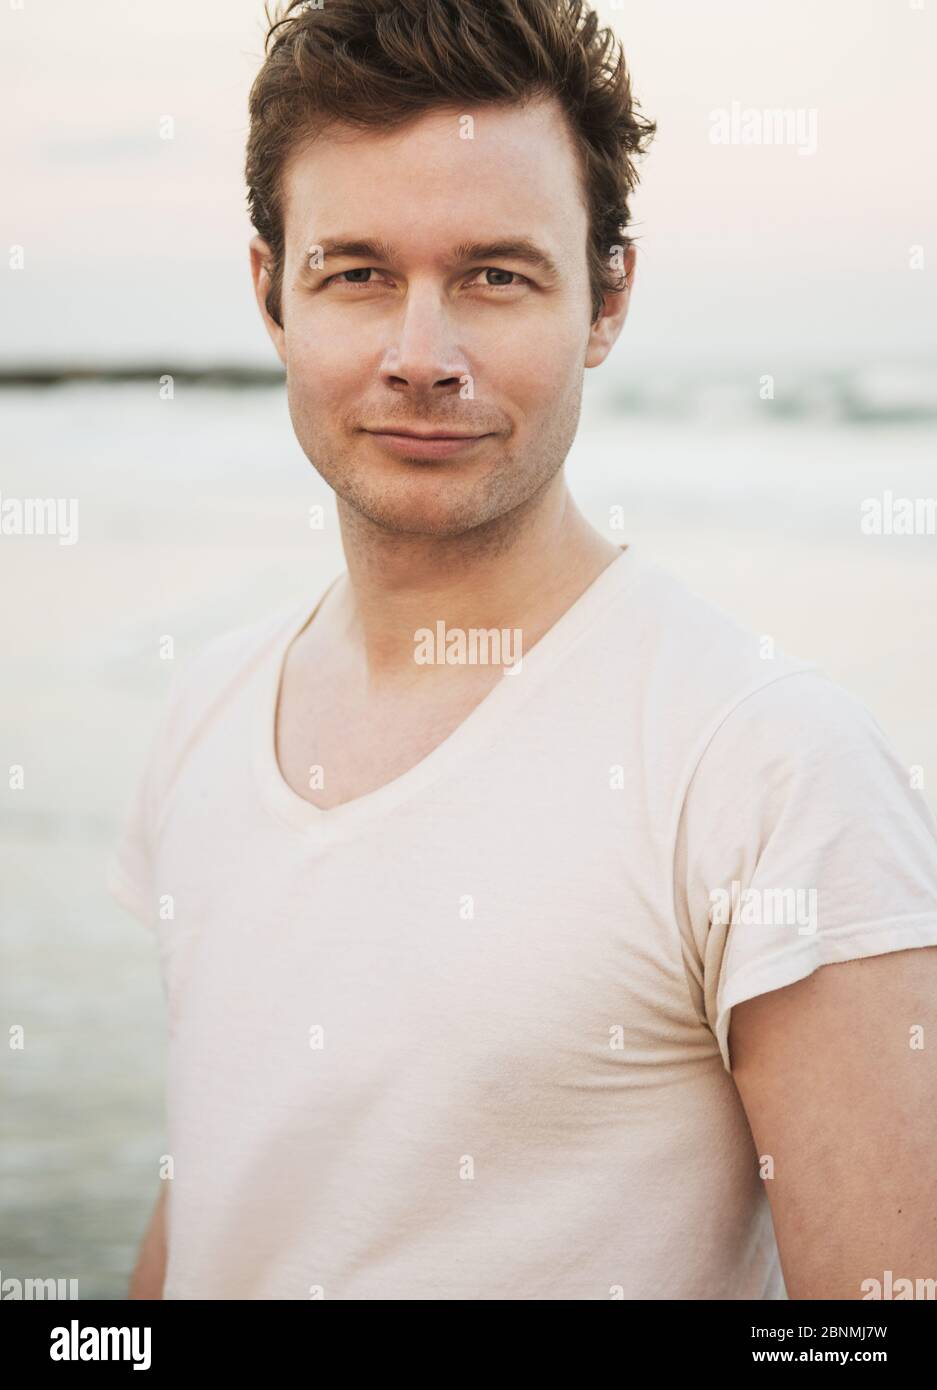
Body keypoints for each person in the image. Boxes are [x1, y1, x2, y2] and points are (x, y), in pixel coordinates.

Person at [108, 0, 937, 1300]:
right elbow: (225, 1192)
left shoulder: (766, 762)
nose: (420, 357)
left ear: (606, 296)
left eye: (495, 274)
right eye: (357, 272)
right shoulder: (206, 714)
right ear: (270, 290)